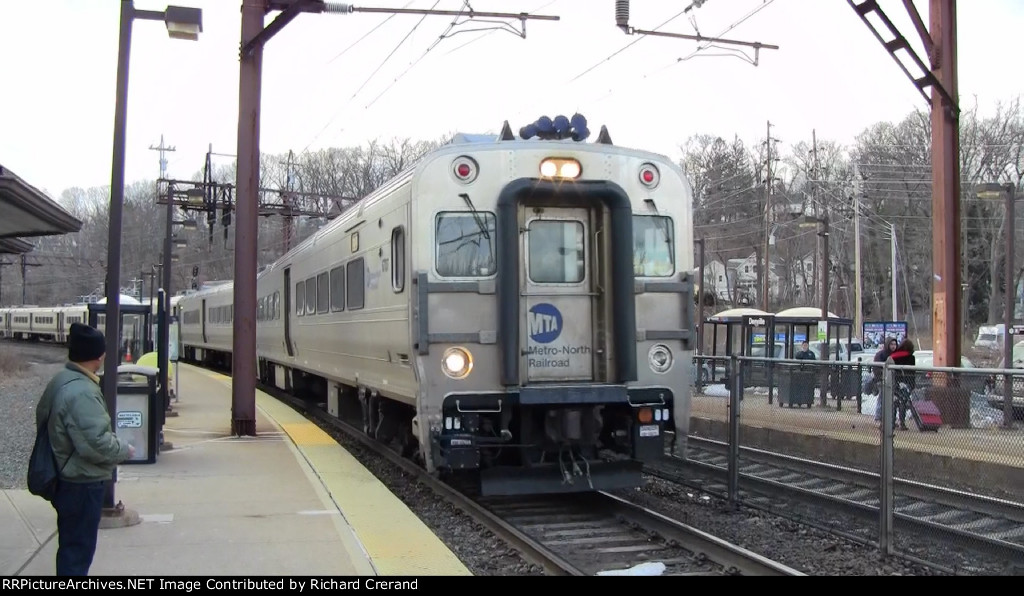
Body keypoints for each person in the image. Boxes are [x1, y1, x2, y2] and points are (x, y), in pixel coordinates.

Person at [35, 323, 134, 576]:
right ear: (97, 355)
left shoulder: (62, 380)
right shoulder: (82, 393)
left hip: (66, 478)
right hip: (81, 482)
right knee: (77, 553)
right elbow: (95, 443)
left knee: (71, 547)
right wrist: (124, 449)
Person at [888, 339, 917, 430]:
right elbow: (912, 373)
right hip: (906, 383)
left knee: (894, 402)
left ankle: (892, 422)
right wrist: (912, 385)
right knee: (903, 402)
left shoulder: (893, 356)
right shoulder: (911, 358)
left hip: (894, 382)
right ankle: (902, 423)